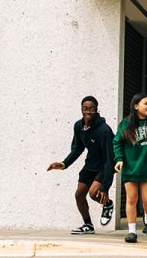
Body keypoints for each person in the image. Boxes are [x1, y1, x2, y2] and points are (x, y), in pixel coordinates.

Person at [46, 96, 115, 234]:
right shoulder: (79, 126)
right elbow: (78, 148)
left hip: (104, 166)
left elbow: (109, 158)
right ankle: (88, 225)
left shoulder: (104, 130)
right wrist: (64, 163)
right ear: (81, 109)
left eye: (91, 109)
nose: (88, 112)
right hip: (90, 165)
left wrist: (106, 186)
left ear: (96, 110)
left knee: (93, 193)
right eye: (85, 109)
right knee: (79, 195)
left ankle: (108, 204)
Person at [113, 93, 147, 243]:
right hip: (131, 167)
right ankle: (132, 232)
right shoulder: (126, 123)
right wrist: (119, 159)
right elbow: (117, 143)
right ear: (136, 106)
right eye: (145, 104)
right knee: (132, 199)